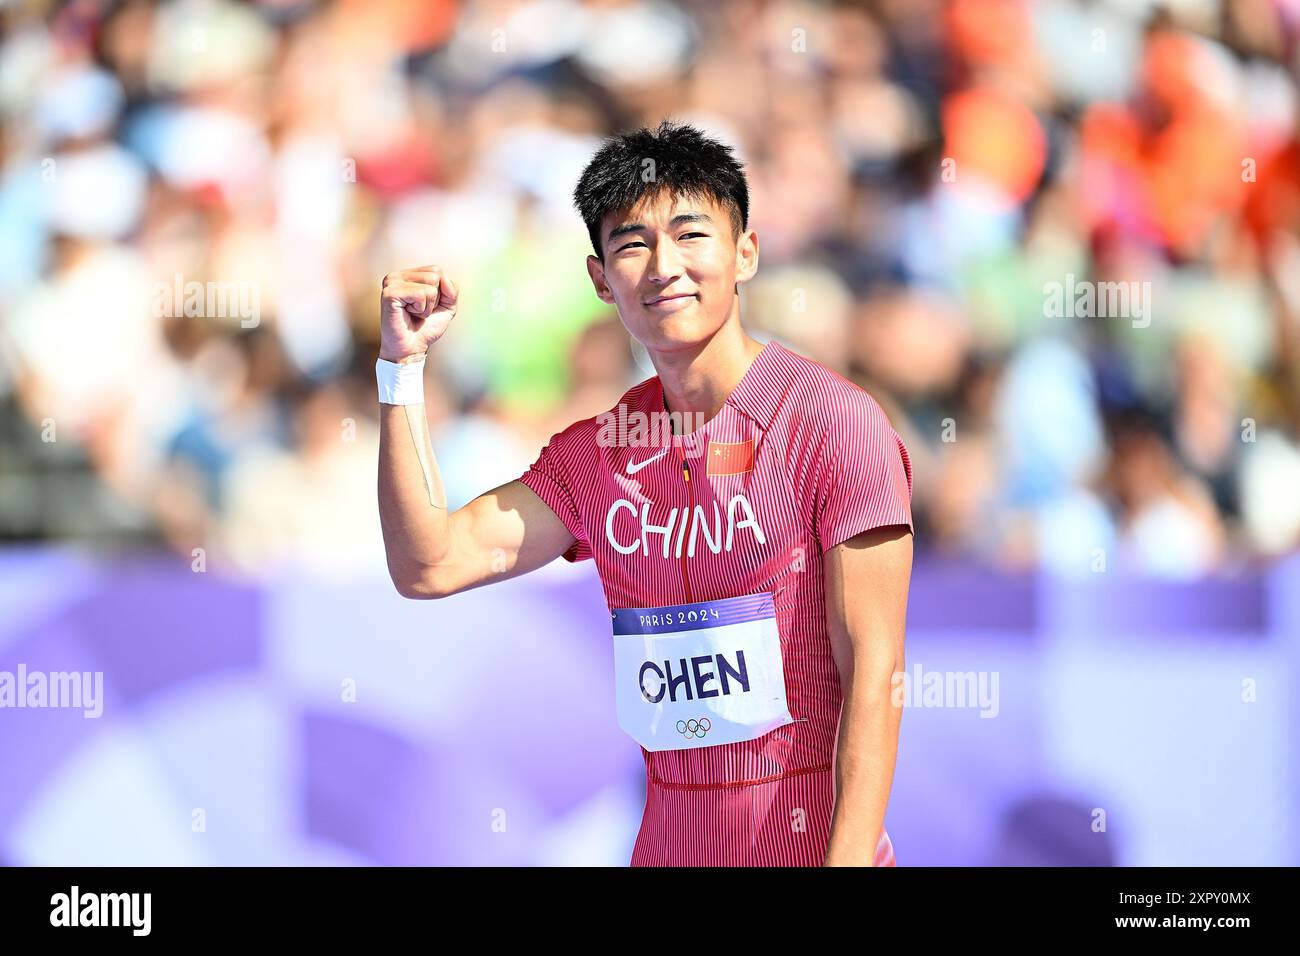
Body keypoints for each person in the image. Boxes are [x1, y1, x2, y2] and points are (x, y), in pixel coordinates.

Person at [376, 120, 914, 867]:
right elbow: (428, 566)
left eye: (692, 235)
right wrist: (399, 371)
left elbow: (877, 671)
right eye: (633, 245)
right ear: (601, 280)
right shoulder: (598, 455)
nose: (665, 266)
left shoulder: (835, 424)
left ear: (745, 253)